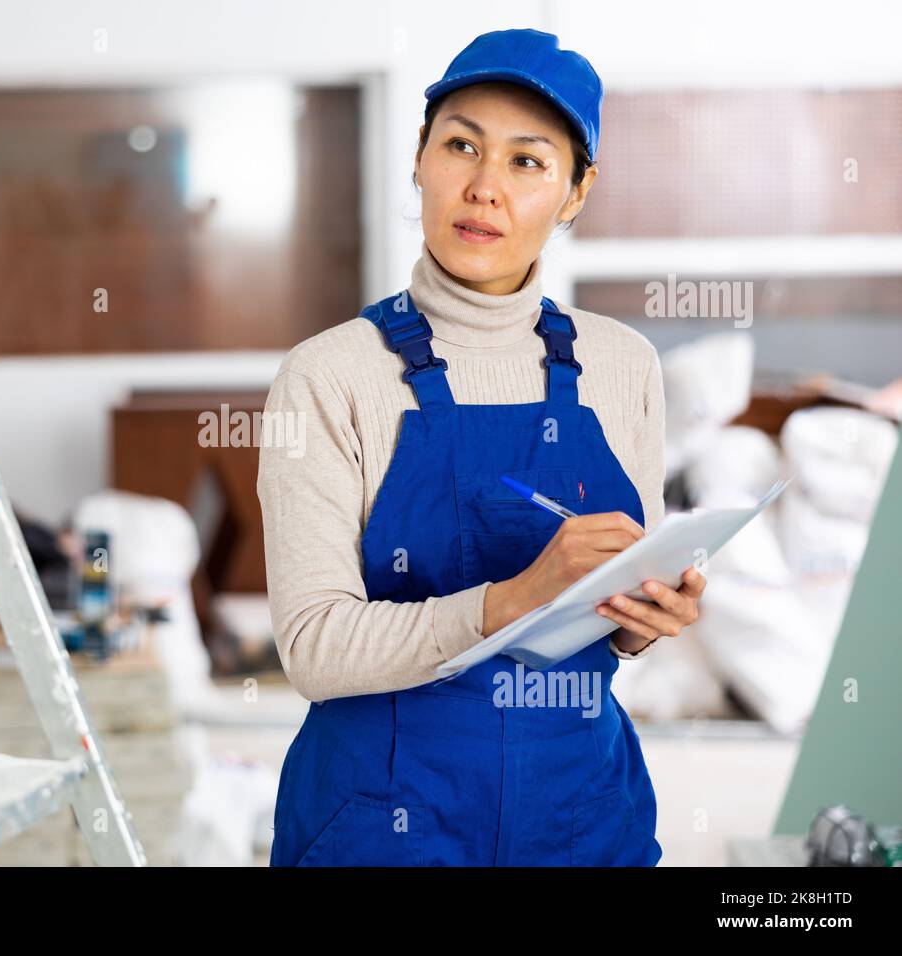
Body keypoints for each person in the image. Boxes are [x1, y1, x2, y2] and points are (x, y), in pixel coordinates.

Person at [258, 28, 706, 866]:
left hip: (580, 812)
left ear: (577, 192)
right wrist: (518, 594)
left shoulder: (621, 366)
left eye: (529, 162)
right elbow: (315, 649)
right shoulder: (330, 376)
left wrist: (641, 621)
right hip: (384, 820)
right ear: (420, 159)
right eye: (461, 145)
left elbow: (602, 616)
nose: (485, 188)